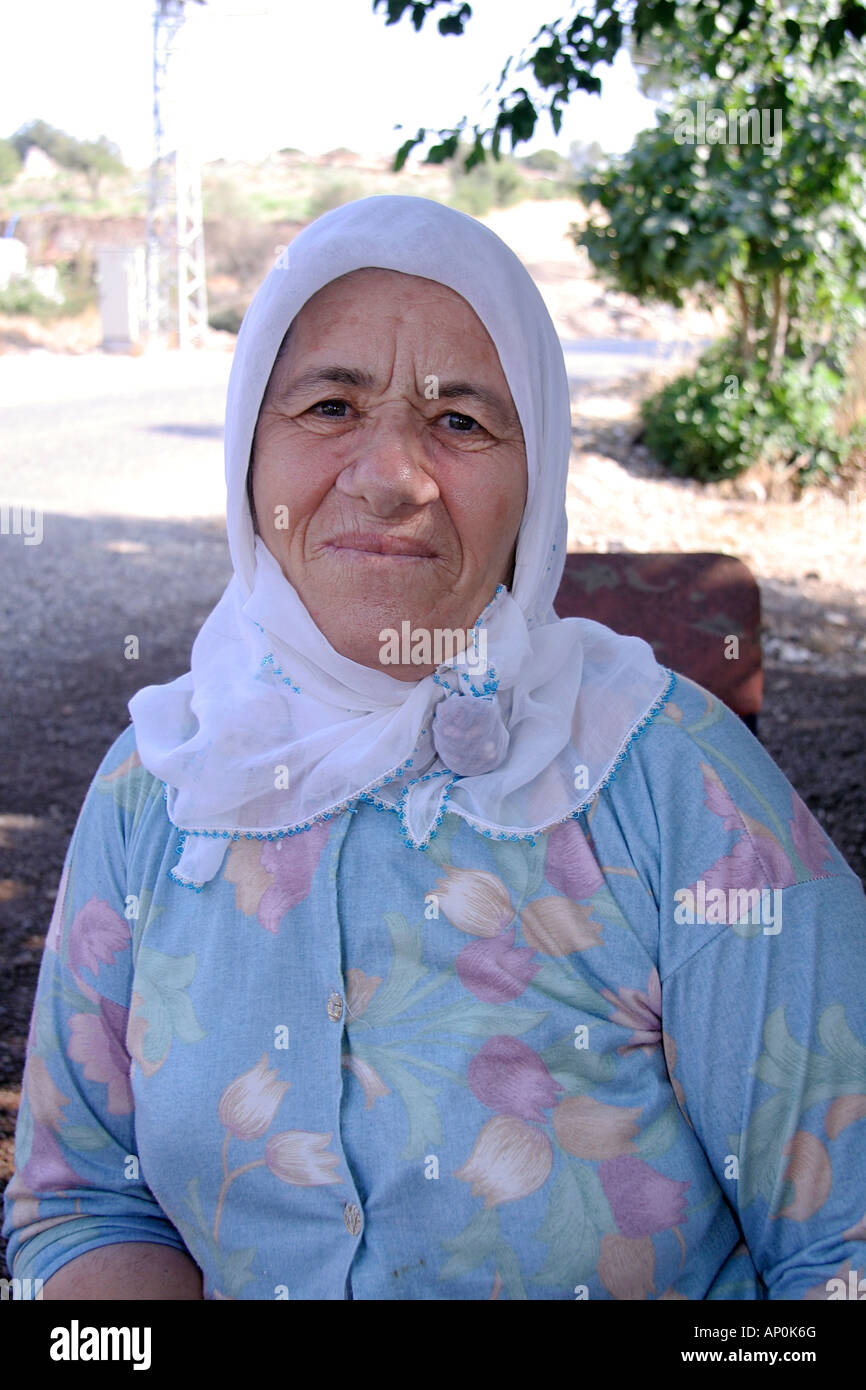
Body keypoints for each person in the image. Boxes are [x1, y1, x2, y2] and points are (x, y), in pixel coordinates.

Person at [3, 195, 865, 1302]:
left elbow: (840, 1246)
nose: (390, 476)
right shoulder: (157, 787)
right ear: (248, 455)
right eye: (328, 403)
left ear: (534, 473)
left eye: (460, 422)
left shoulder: (667, 776)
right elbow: (83, 1200)